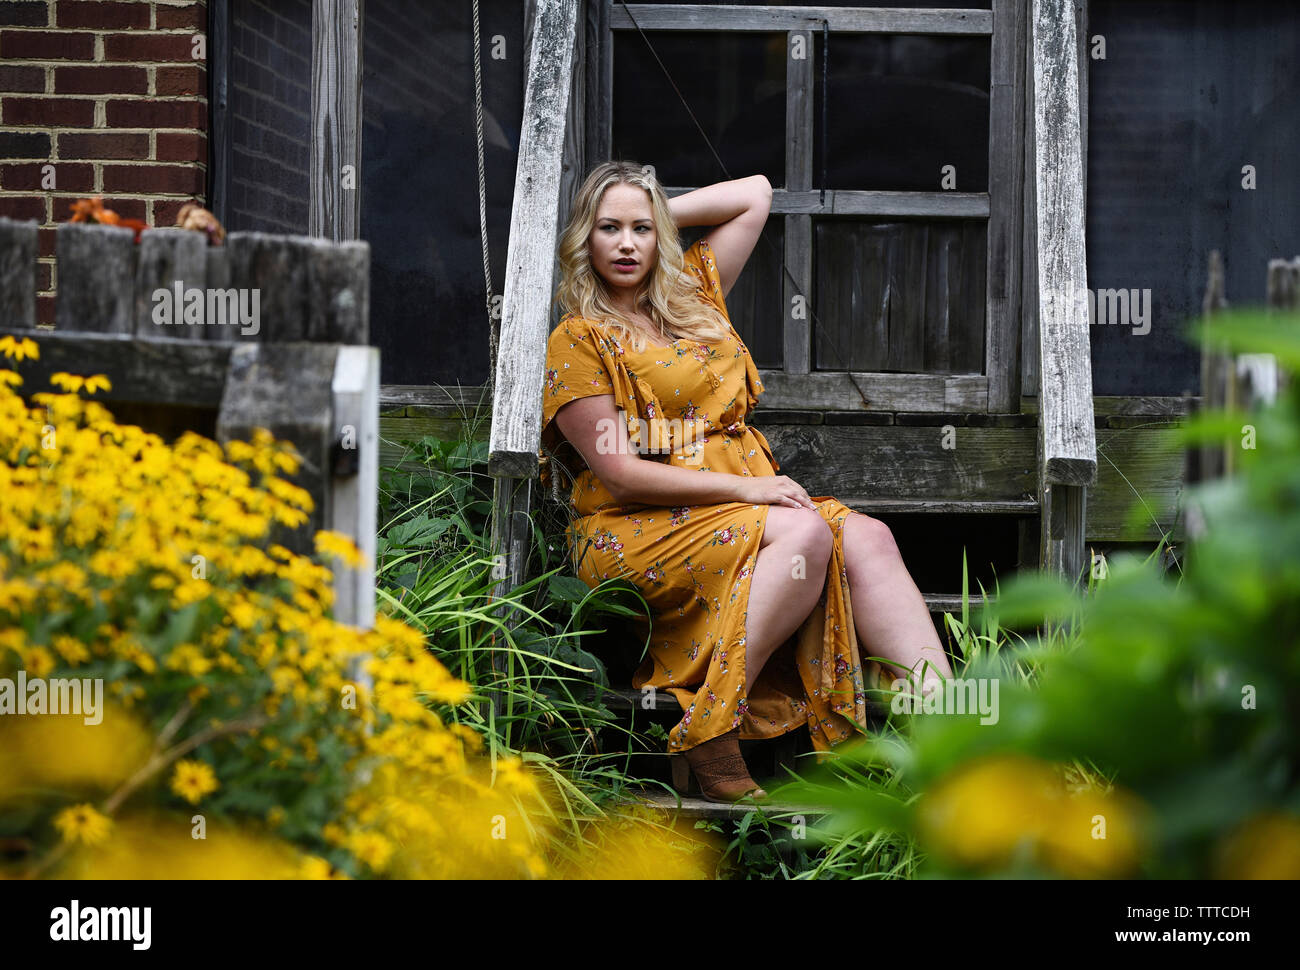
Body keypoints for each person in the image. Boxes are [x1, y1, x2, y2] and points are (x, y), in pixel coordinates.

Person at [540, 160, 953, 802]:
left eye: (640, 231)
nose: (626, 245)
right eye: (607, 230)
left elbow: (754, 195)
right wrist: (748, 490)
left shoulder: (694, 295)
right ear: (582, 241)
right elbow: (618, 474)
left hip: (746, 507)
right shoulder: (579, 338)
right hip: (633, 526)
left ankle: (951, 743)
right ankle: (713, 725)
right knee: (805, 533)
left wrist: (653, 222)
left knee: (867, 538)